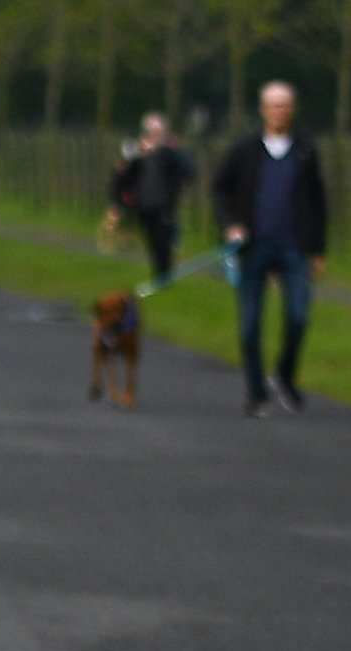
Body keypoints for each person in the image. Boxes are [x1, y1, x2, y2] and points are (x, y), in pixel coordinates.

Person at [212, 80, 325, 416]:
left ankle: (284, 376)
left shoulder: (305, 150)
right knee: (249, 325)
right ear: (263, 110)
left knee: (299, 315)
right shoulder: (244, 149)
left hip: (294, 246)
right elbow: (220, 189)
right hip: (254, 247)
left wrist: (317, 249)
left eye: (285, 105)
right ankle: (256, 392)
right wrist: (230, 224)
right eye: (274, 105)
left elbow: (318, 201)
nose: (279, 111)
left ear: (292, 110)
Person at [110, 112, 192, 286]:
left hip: (165, 205)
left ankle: (165, 274)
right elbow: (123, 176)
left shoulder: (170, 152)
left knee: (165, 239)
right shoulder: (137, 153)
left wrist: (166, 151)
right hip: (143, 205)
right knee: (152, 240)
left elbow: (186, 171)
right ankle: (160, 274)